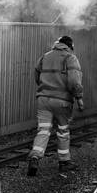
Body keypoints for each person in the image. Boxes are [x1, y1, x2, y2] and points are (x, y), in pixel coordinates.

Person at [28, 35, 84, 176]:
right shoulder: (70, 58)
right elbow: (74, 81)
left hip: (44, 99)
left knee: (43, 130)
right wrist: (79, 97)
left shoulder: (44, 57)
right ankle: (64, 162)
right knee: (63, 130)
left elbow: (37, 75)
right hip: (62, 101)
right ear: (70, 46)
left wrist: (45, 88)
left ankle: (35, 156)